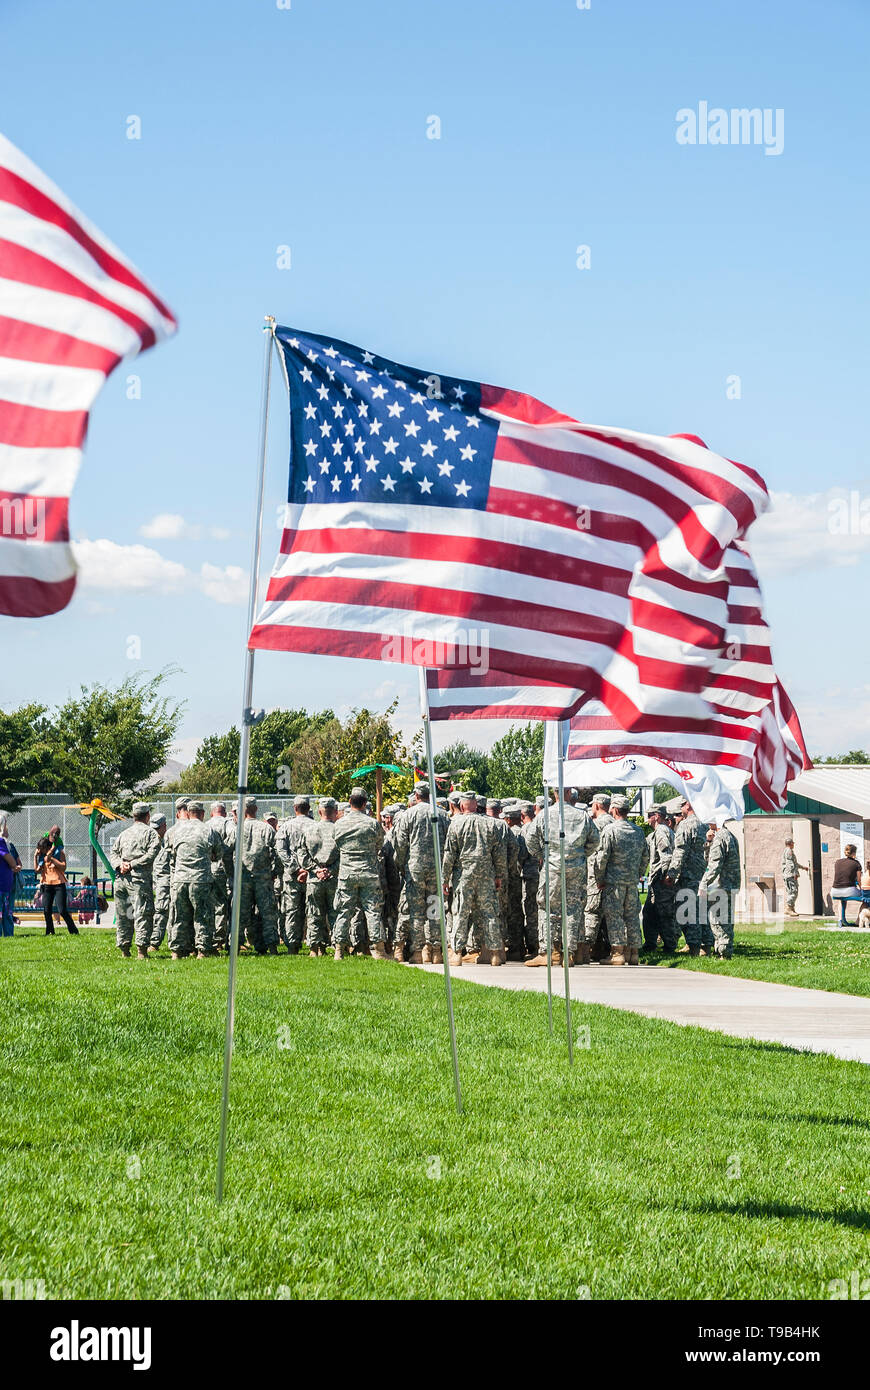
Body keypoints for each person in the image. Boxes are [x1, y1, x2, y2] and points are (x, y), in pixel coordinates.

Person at [525, 787, 599, 967]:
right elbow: (595, 840)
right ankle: (569, 953)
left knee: (548, 908)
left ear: (554, 794)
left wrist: (542, 855)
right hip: (576, 868)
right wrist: (580, 855)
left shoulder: (544, 815)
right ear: (568, 793)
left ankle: (549, 952)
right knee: (573, 909)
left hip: (552, 867)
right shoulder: (582, 815)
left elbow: (530, 839)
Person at [442, 792, 504, 966]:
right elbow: (498, 854)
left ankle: (456, 953)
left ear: (462, 807)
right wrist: (499, 875)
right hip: (486, 874)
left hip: (464, 875)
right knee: (490, 914)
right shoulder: (490, 824)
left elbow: (449, 854)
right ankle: (494, 955)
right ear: (476, 806)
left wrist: (444, 879)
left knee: (461, 913)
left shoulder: (456, 824)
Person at [392, 784, 448, 965]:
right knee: (434, 909)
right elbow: (448, 842)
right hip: (437, 868)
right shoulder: (442, 814)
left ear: (416, 795)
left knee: (415, 912)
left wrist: (400, 865)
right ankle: (436, 951)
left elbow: (400, 844)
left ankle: (417, 952)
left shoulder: (408, 814)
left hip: (415, 868)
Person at [331, 787, 387, 961]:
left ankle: (339, 950)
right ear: (364, 804)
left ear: (350, 802)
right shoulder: (372, 823)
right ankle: (378, 950)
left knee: (344, 911)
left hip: (347, 873)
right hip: (368, 872)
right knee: (372, 911)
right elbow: (380, 843)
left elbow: (336, 844)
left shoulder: (339, 824)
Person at [593, 796, 649, 965]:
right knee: (632, 916)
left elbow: (602, 857)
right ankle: (633, 953)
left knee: (614, 916)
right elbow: (645, 857)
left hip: (613, 882)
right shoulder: (638, 831)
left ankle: (617, 953)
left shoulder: (610, 830)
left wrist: (599, 878)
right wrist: (638, 874)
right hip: (631, 882)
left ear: (616, 810)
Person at [110, 804, 160, 958]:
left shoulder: (124, 834)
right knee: (142, 914)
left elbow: (113, 853)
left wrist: (120, 865)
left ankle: (124, 949)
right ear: (147, 816)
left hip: (120, 879)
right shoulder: (151, 834)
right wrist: (133, 864)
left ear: (133, 816)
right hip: (139, 880)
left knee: (123, 914)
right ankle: (141, 951)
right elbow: (152, 853)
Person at [666, 799, 712, 957]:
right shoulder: (704, 824)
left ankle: (693, 946)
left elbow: (680, 851)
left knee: (687, 911)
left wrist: (671, 874)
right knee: (701, 911)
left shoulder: (685, 825)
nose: (680, 810)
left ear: (689, 805)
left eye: (681, 807)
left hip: (687, 875)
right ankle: (706, 945)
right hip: (701, 875)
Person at [300, 798, 339, 953]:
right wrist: (331, 870)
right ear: (335, 811)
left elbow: (301, 854)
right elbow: (344, 854)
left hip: (314, 879)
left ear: (319, 812)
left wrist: (315, 870)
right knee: (335, 913)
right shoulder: (338, 830)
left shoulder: (310, 829)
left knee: (314, 913)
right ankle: (338, 947)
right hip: (333, 878)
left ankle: (315, 949)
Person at [275, 796, 313, 955]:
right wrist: (307, 869)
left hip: (292, 878)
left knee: (292, 911)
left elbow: (281, 851)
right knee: (313, 910)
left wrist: (295, 869)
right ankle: (315, 945)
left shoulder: (286, 827)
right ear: (308, 808)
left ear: (295, 808)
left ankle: (292, 945)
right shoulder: (315, 826)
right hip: (312, 875)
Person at [700, 821, 742, 959]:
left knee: (718, 920)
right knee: (727, 920)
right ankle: (725, 951)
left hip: (721, 885)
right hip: (730, 884)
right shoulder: (730, 835)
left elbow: (714, 865)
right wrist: (708, 842)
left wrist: (704, 884)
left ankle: (723, 952)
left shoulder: (720, 838)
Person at [641, 804, 677, 954]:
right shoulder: (661, 831)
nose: (647, 819)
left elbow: (666, 855)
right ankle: (651, 944)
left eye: (649, 815)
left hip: (661, 880)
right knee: (651, 912)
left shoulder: (661, 831)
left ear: (657, 816)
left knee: (663, 913)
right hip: (658, 879)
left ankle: (669, 945)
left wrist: (667, 876)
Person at [34, 834, 80, 935]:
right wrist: (35, 856)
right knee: (47, 910)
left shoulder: (60, 853)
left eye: (43, 849)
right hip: (47, 885)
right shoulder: (42, 857)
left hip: (59, 884)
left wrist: (52, 859)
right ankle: (50, 931)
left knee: (62, 910)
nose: (42, 852)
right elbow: (37, 870)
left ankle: (73, 931)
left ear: (48, 847)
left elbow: (64, 867)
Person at [831, 844, 863, 925]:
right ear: (854, 853)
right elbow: (859, 879)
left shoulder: (838, 862)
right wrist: (862, 889)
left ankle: (840, 920)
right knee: (866, 899)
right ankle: (858, 921)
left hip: (834, 891)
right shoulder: (856, 863)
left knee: (841, 899)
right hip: (848, 890)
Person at [0, 812, 20, 937]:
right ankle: (7, 935)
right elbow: (11, 861)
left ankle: (8, 935)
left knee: (6, 912)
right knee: (5, 912)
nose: (7, 829)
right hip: (2, 886)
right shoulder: (1, 842)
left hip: (5, 884)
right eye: (5, 825)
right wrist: (13, 867)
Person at [781, 839, 808, 916]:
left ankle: (792, 909)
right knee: (794, 892)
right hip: (790, 875)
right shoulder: (789, 851)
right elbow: (790, 864)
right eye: (793, 843)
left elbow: (794, 863)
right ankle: (788, 908)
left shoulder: (786, 851)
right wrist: (794, 874)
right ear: (790, 843)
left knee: (791, 892)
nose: (793, 844)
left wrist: (803, 867)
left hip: (787, 875)